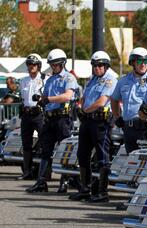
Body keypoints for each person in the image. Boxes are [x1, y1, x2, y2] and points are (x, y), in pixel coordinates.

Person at [26, 49, 79, 193]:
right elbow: (45, 96)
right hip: (49, 118)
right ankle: (41, 182)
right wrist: (40, 99)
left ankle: (65, 182)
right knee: (45, 150)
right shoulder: (49, 80)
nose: (53, 67)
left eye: (56, 64)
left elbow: (68, 96)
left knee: (64, 151)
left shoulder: (69, 78)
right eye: (52, 65)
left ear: (62, 64)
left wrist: (47, 99)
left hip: (62, 118)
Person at [69, 51, 117, 203]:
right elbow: (84, 98)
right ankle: (85, 189)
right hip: (87, 121)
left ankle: (102, 192)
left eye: (100, 65)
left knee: (103, 157)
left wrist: (85, 110)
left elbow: (102, 101)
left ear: (106, 66)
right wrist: (82, 108)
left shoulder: (110, 80)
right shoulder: (92, 80)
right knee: (82, 154)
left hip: (100, 122)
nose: (97, 68)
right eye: (95, 65)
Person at [111, 47, 147, 154]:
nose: (143, 64)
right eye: (139, 61)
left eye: (145, 61)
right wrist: (117, 117)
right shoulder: (123, 81)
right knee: (131, 160)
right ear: (133, 63)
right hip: (128, 128)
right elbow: (114, 99)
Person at [16, 54, 46, 181]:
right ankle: (27, 172)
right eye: (29, 64)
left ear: (38, 65)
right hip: (27, 114)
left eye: (33, 64)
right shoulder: (23, 81)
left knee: (44, 142)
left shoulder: (45, 79)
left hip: (39, 114)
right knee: (26, 144)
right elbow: (22, 98)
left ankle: (44, 174)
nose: (31, 67)